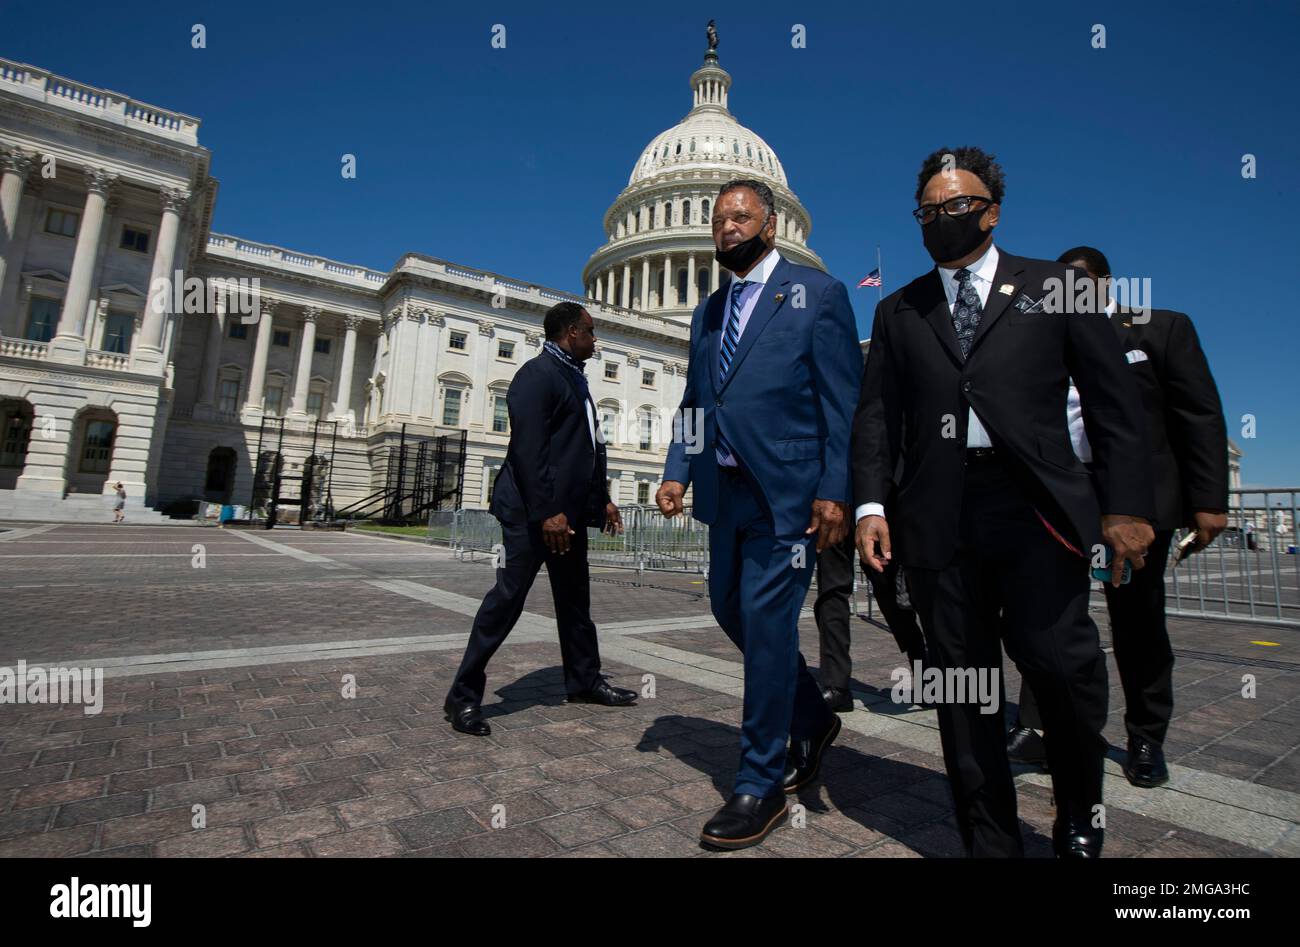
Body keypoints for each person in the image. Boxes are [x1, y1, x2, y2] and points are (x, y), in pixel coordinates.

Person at [852, 147, 1156, 857]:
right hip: (936, 516)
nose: (941, 218)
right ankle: (989, 840)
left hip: (1035, 507)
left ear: (992, 210)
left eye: (957, 205)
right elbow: (877, 416)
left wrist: (1127, 506)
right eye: (927, 210)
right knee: (963, 688)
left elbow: (1115, 405)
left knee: (1061, 666)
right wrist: (871, 504)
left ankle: (1080, 813)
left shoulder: (1056, 286)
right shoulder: (899, 309)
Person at [657, 178, 861, 851]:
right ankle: (811, 714)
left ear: (771, 226)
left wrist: (835, 489)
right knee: (728, 609)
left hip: (789, 496)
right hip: (724, 493)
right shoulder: (709, 311)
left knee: (769, 628)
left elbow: (841, 404)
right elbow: (696, 398)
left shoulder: (817, 295)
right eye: (719, 220)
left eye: (741, 217)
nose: (728, 228)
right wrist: (676, 469)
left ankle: (760, 781)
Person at [1008, 246, 1228, 788]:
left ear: (1108, 284)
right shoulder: (1045, 342)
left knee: (1138, 619)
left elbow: (1198, 414)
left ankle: (1145, 734)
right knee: (1050, 614)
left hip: (1134, 499)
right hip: (1064, 492)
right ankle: (1039, 726)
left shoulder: (1160, 329)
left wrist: (1210, 500)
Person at [444, 302, 637, 736]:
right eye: (590, 332)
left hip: (566, 515)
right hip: (537, 516)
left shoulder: (573, 377)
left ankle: (584, 680)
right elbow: (530, 452)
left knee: (575, 603)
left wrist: (601, 497)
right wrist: (548, 511)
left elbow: (583, 447)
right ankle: (463, 697)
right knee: (506, 601)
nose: (595, 339)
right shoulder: (536, 375)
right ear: (571, 332)